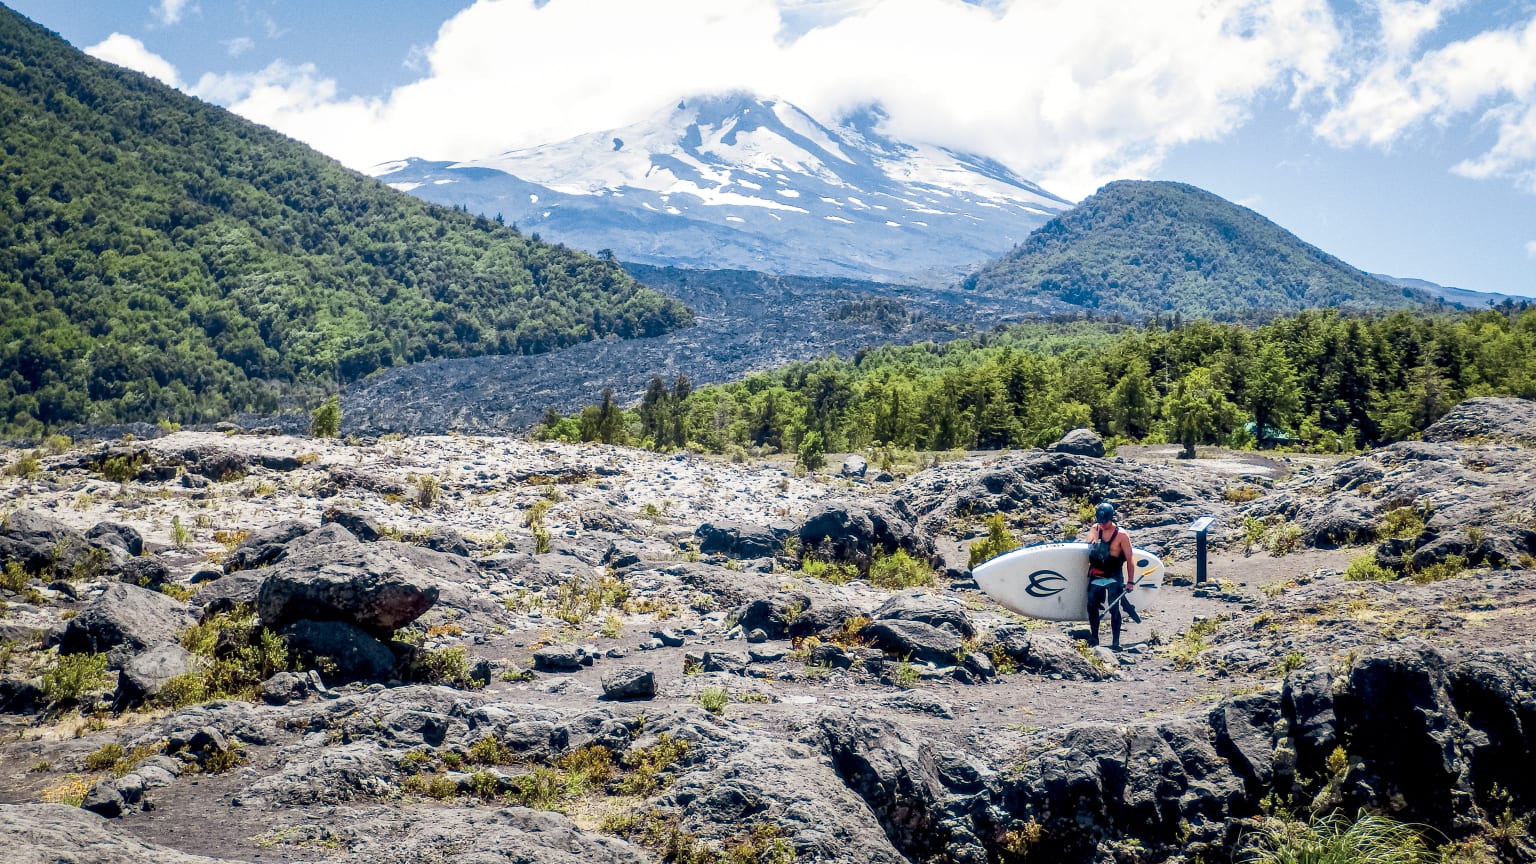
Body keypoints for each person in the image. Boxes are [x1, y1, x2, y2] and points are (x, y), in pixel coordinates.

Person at [1084, 502, 1136, 649]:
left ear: (1111, 518)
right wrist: (1093, 533)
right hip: (1097, 575)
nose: (1103, 525)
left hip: (1113, 576)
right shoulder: (1096, 528)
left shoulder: (1122, 535)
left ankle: (1115, 642)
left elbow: (1130, 559)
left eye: (1105, 522)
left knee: (1114, 608)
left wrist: (1130, 581)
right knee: (1091, 605)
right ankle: (1094, 638)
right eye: (1100, 522)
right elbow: (1089, 540)